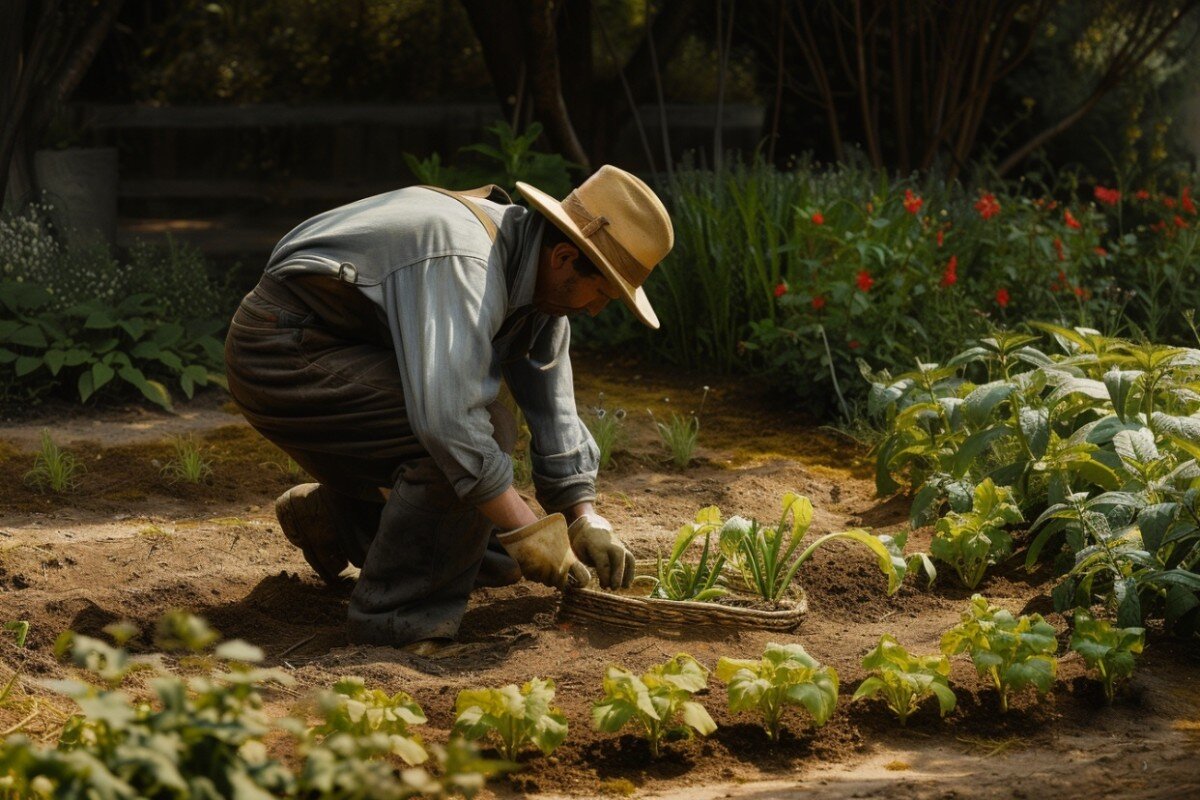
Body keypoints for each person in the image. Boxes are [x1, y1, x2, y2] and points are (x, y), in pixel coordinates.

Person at [224, 164, 674, 652]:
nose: (595, 310)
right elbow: (449, 424)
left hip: (356, 356)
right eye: (602, 293)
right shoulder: (466, 259)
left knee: (495, 558)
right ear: (565, 256)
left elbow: (554, 411)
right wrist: (528, 527)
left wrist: (584, 518)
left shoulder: (540, 288)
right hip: (282, 350)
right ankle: (398, 625)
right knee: (481, 437)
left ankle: (337, 521)